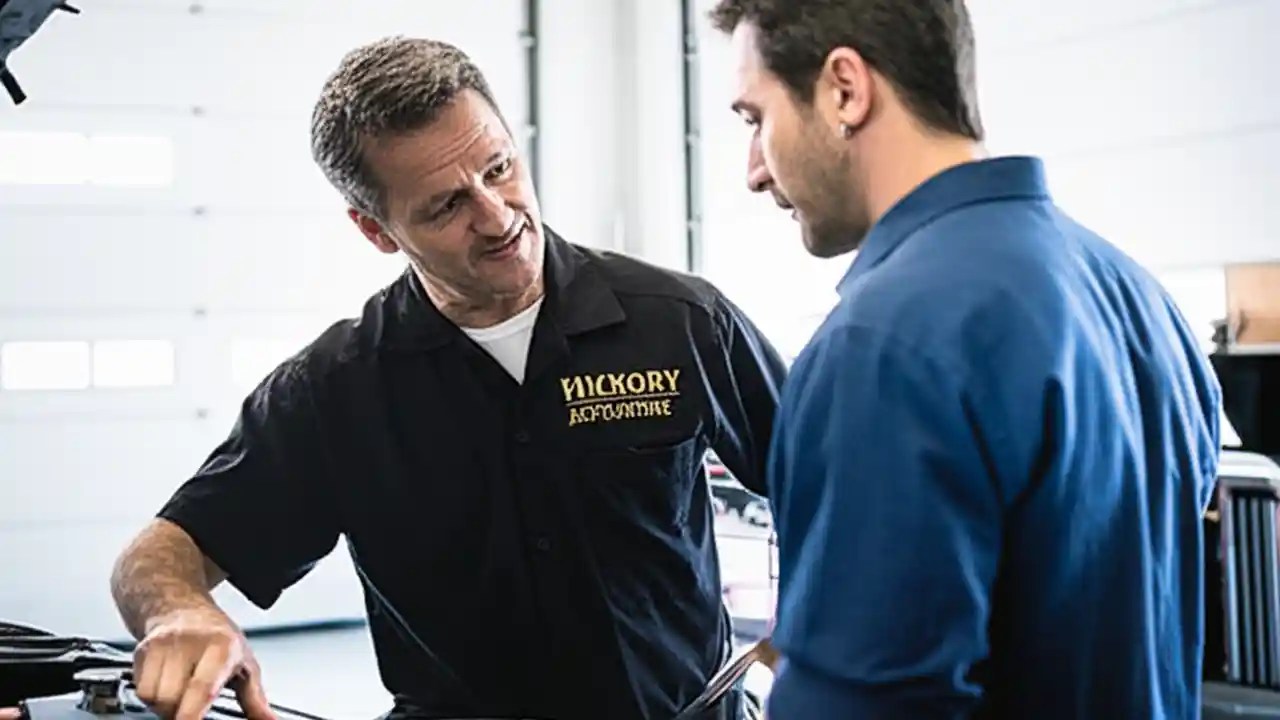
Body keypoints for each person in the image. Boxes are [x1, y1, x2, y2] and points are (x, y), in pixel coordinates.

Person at [98, 35, 786, 720]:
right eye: (445, 206)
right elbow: (155, 556)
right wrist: (180, 613)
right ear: (376, 230)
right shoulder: (337, 392)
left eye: (499, 168)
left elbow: (829, 481)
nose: (496, 217)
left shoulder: (681, 323)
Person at [709, 1, 1223, 719]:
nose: (754, 172)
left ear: (844, 90)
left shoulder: (882, 344)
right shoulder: (1140, 298)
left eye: (755, 118)